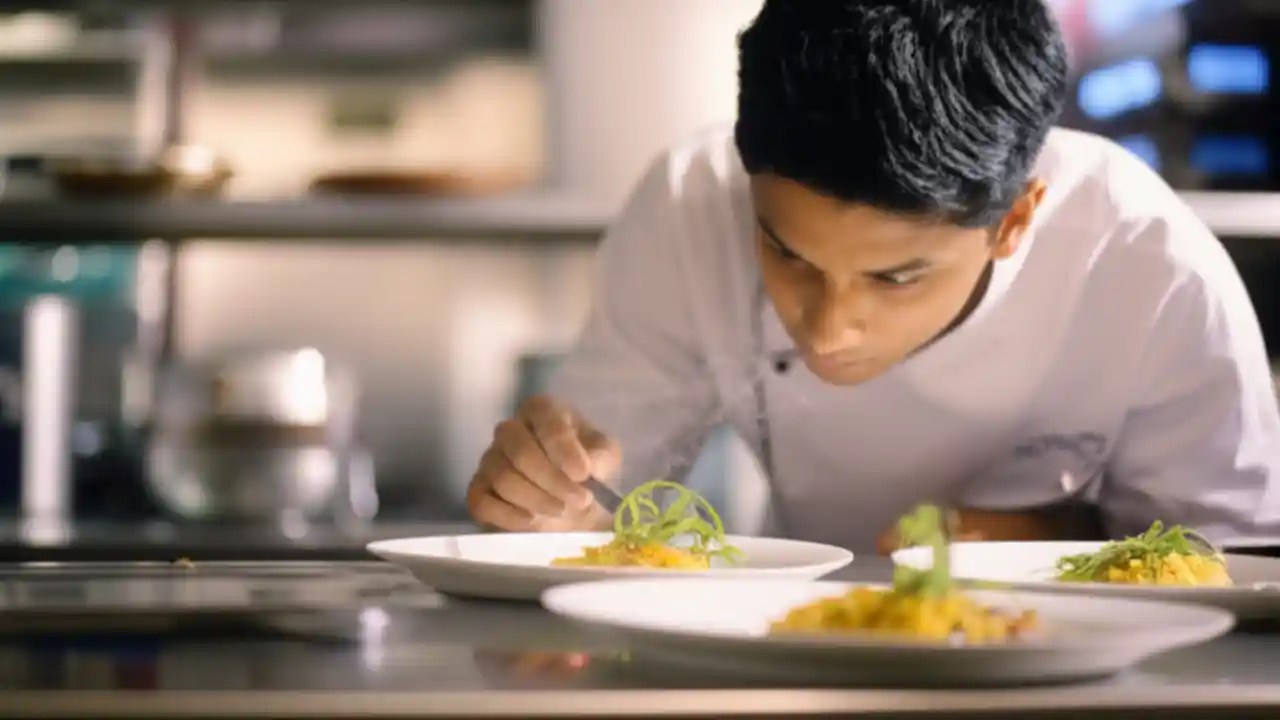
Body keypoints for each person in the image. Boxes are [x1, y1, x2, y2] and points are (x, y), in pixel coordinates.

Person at [466, 0, 1280, 552]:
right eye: (786, 254)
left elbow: (1237, 565)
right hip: (797, 651)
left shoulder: (1149, 264)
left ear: (1017, 219)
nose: (825, 330)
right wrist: (549, 497)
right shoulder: (691, 205)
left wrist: (1044, 533)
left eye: (895, 277)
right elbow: (595, 503)